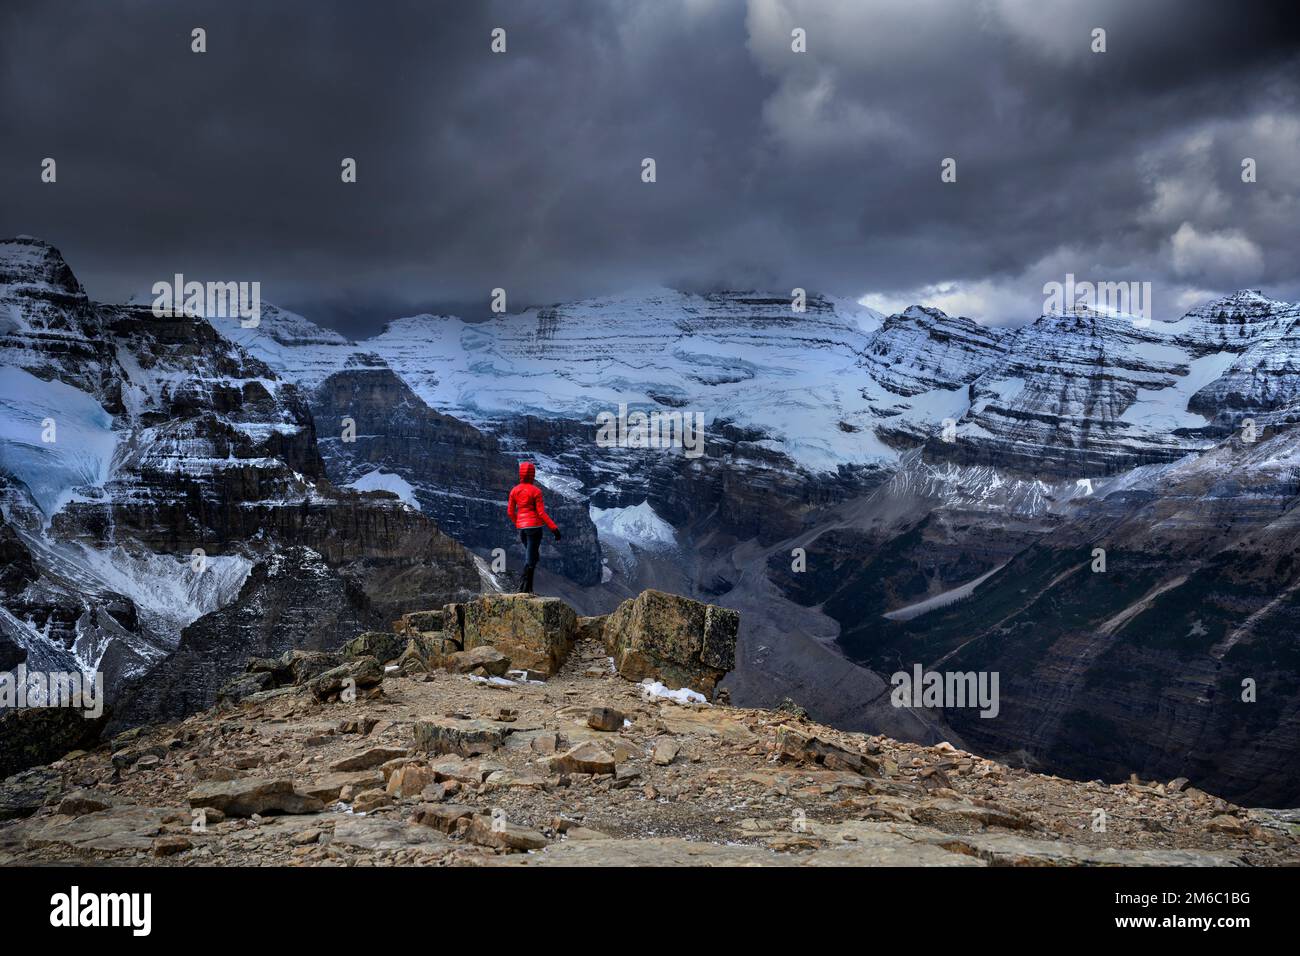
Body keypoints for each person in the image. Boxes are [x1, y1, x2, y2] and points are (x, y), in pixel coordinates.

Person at [506, 461, 561, 594]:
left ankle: (528, 588)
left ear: (521, 474)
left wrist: (518, 523)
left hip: (523, 529)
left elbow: (510, 512)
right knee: (531, 559)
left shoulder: (514, 490)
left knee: (533, 556)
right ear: (532, 475)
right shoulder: (536, 491)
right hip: (535, 528)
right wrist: (554, 529)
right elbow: (541, 513)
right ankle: (523, 588)